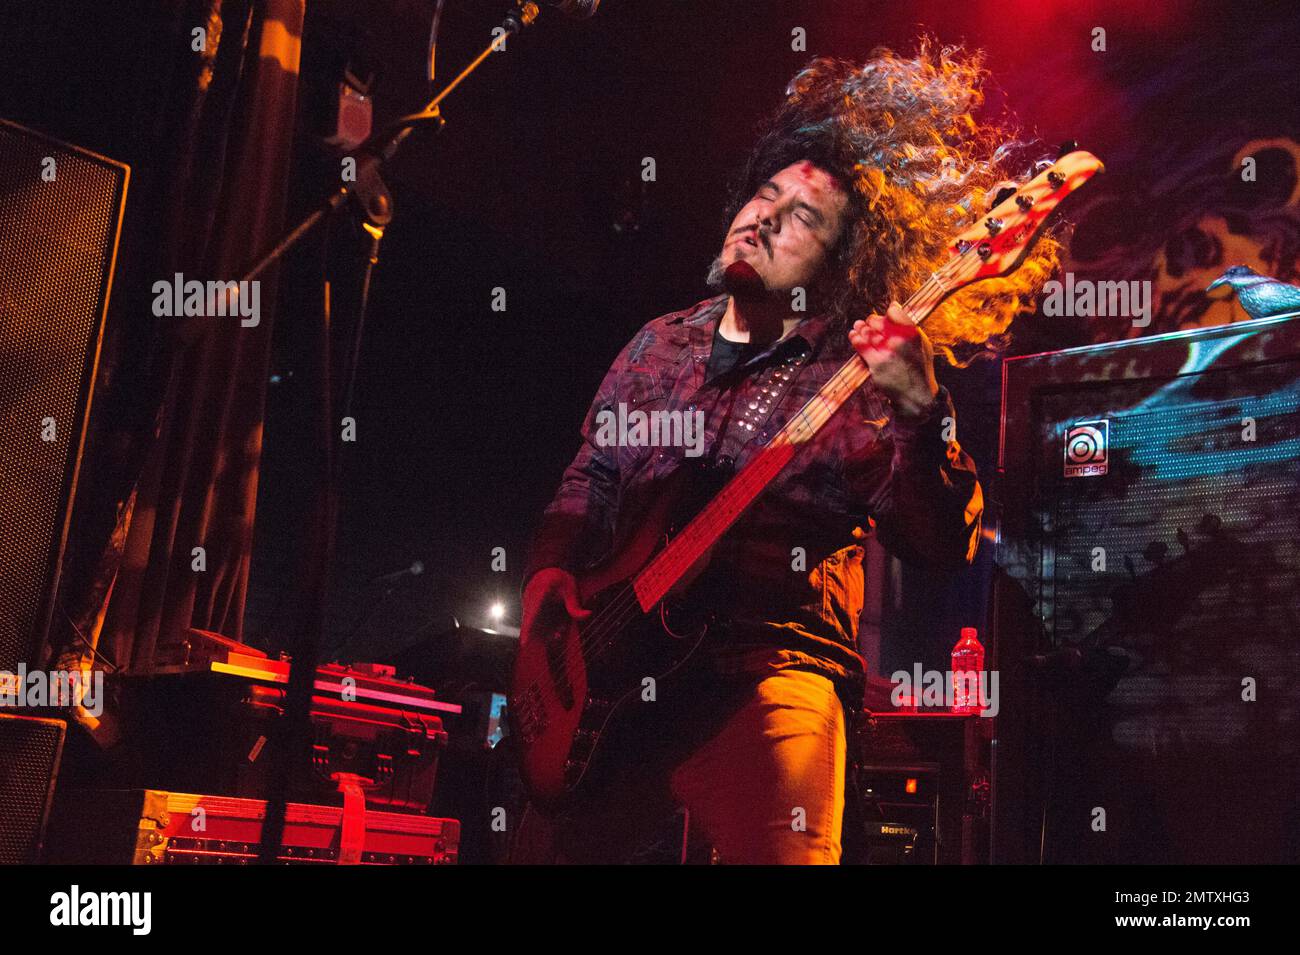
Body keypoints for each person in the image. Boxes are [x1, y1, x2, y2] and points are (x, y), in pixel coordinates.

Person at [515, 41, 1058, 864]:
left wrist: (920, 412)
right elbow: (591, 475)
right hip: (607, 674)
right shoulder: (658, 344)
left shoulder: (863, 372)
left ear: (840, 263)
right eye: (762, 195)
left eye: (800, 216)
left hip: (769, 665)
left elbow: (941, 541)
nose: (762, 218)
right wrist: (551, 573)